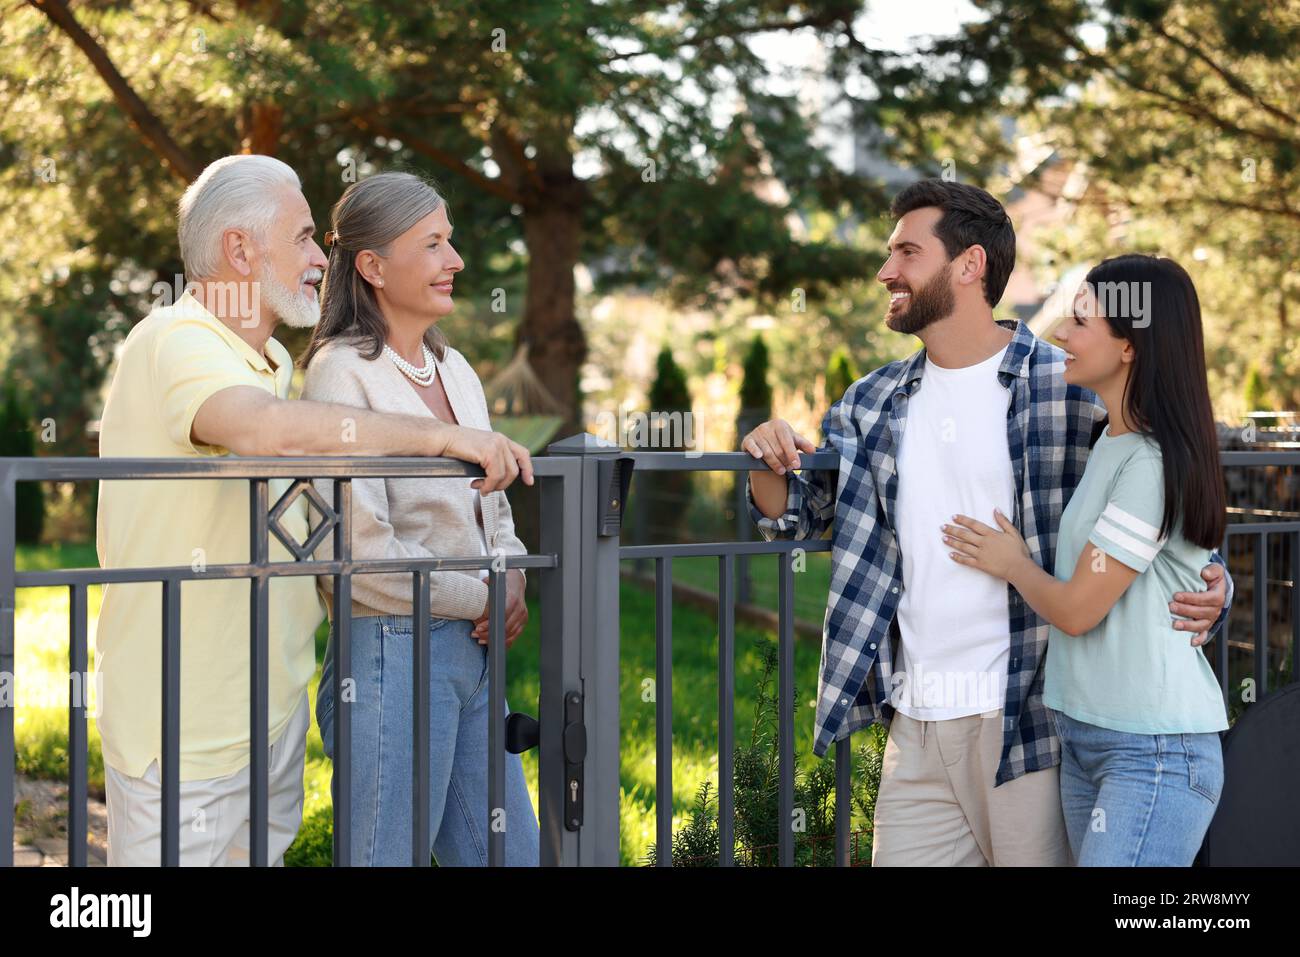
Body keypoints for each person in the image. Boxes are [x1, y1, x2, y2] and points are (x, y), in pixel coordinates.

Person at [743, 178, 1231, 866]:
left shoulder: (1065, 387)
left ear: (968, 265)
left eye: (907, 252)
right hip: (915, 723)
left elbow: (1171, 484)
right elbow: (795, 516)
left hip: (1029, 723)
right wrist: (768, 456)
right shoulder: (873, 400)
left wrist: (1216, 583)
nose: (887, 271)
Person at [97, 155, 532, 866]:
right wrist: (441, 438)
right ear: (240, 248)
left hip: (268, 718)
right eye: (302, 237)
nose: (317, 255)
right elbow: (262, 431)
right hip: (184, 730)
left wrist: (505, 576)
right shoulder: (172, 339)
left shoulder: (269, 362)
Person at [943, 254, 1229, 866]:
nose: (1060, 335)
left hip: (1150, 751)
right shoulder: (1110, 442)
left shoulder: (1147, 462)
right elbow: (1179, 565)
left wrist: (1013, 563)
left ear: (1130, 346)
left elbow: (1076, 611)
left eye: (1080, 321)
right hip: (1087, 740)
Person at [303, 171, 539, 866]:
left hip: (473, 654)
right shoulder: (340, 373)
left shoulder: (455, 369)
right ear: (373, 266)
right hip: (390, 653)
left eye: (452, 241)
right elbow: (360, 549)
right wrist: (484, 595)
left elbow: (494, 504)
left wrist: (512, 574)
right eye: (433, 244)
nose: (455, 261)